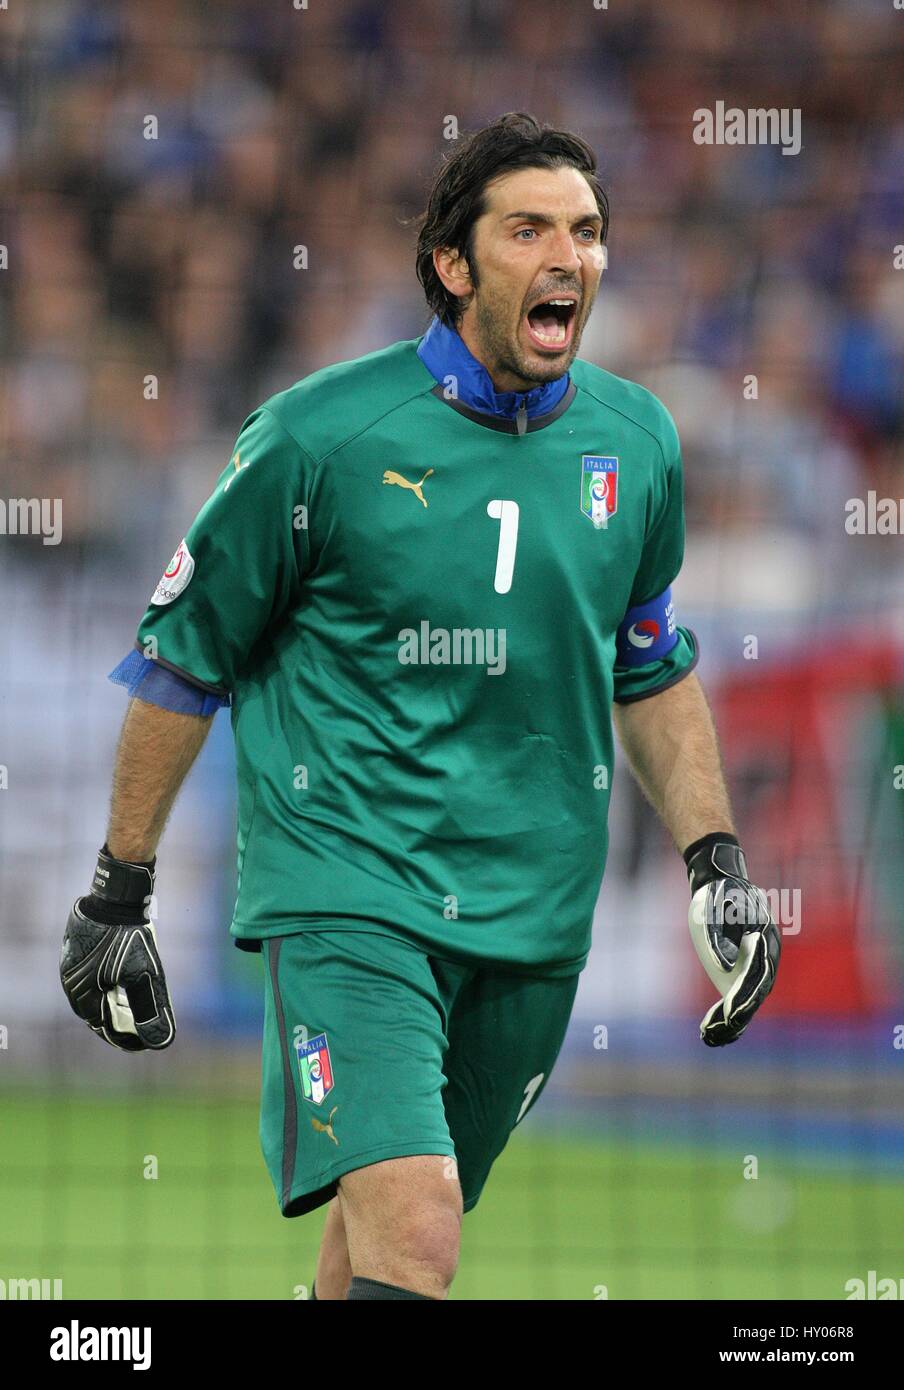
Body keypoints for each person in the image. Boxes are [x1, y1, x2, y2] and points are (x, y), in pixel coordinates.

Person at [60, 112, 780, 1301]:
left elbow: (647, 665)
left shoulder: (638, 441)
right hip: (347, 891)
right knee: (419, 1224)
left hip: (533, 918)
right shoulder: (314, 439)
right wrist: (114, 892)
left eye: (588, 232)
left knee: (378, 1241)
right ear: (453, 265)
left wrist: (714, 858)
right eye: (528, 229)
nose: (569, 257)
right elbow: (182, 657)